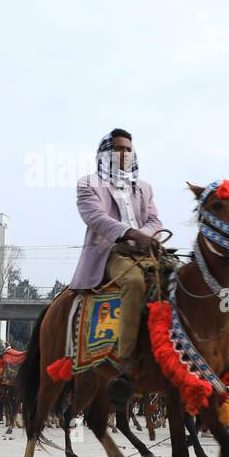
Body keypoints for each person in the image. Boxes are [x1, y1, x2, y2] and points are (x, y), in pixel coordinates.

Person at [69, 129, 163, 407]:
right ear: (105, 154)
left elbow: (156, 221)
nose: (124, 154)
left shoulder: (144, 187)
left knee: (179, 281)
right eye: (118, 149)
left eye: (128, 150)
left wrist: (145, 235)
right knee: (134, 282)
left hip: (145, 250)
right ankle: (125, 362)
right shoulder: (88, 183)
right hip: (110, 252)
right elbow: (95, 218)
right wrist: (131, 234)